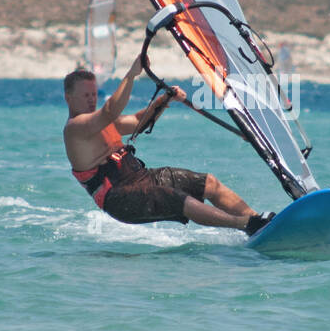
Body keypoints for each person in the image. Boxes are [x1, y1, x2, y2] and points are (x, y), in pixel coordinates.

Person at [63, 57, 273, 234]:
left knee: (209, 184)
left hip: (141, 178)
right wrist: (131, 74)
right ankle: (247, 225)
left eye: (93, 94)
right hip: (119, 197)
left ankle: (260, 222)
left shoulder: (101, 122)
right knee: (177, 199)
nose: (91, 100)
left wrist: (164, 100)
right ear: (69, 98)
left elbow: (137, 122)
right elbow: (110, 110)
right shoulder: (75, 128)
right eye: (85, 95)